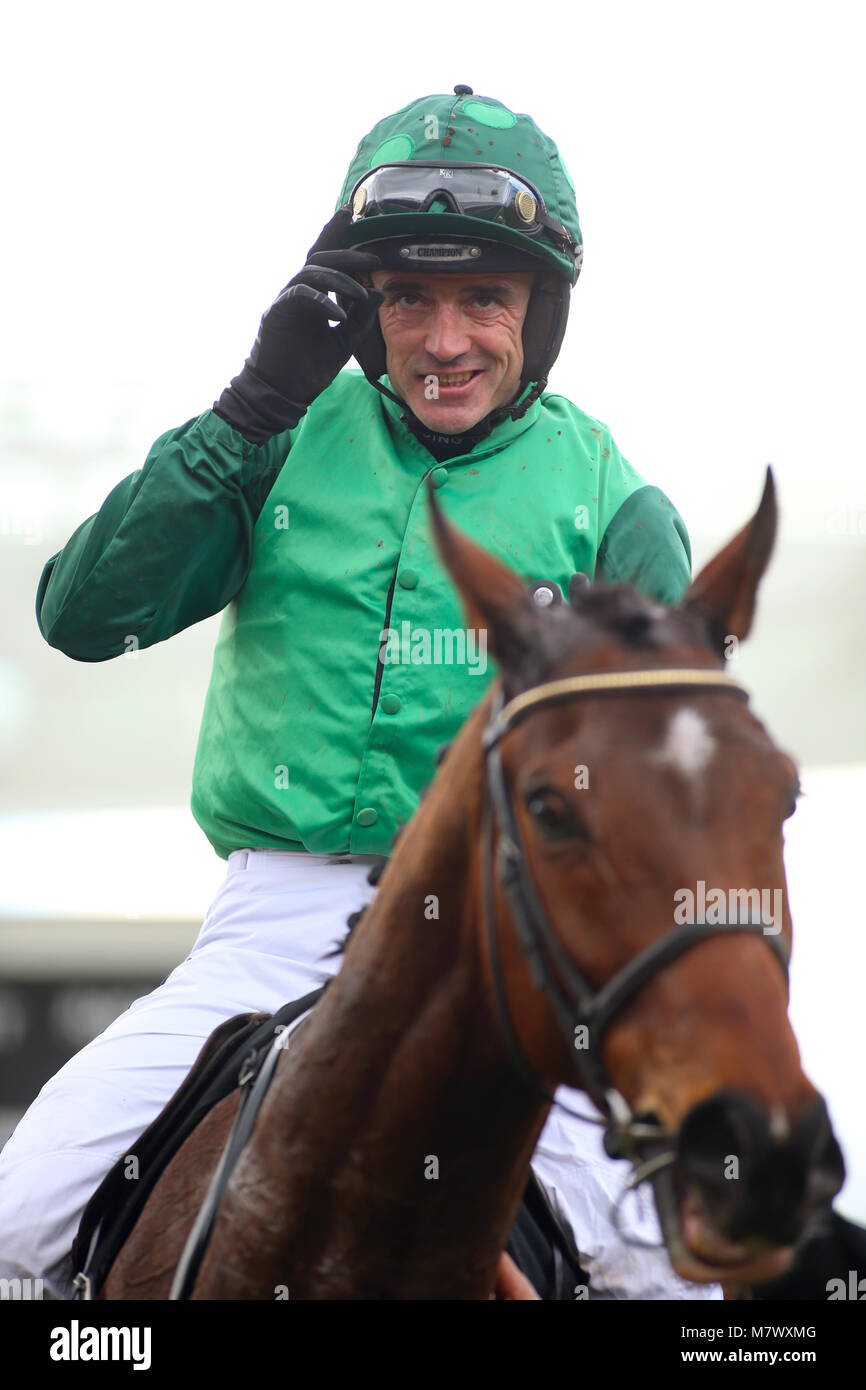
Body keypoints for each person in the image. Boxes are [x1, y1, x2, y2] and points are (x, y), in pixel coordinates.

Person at [0, 86, 718, 1300]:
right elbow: (79, 617)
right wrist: (245, 408)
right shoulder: (270, 437)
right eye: (407, 300)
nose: (445, 341)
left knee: (675, 1276)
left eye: (483, 298)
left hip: (502, 955)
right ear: (358, 303)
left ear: (539, 313)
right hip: (263, 938)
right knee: (18, 1216)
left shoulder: (621, 512)